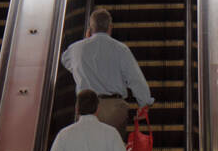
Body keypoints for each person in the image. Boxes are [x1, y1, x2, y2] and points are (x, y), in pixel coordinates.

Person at [60, 8, 154, 140]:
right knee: (113, 149)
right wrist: (144, 103)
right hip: (114, 109)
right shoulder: (121, 49)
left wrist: (85, 44)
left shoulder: (76, 49)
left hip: (86, 108)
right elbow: (135, 79)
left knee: (87, 149)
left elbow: (66, 61)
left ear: (90, 28)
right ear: (110, 27)